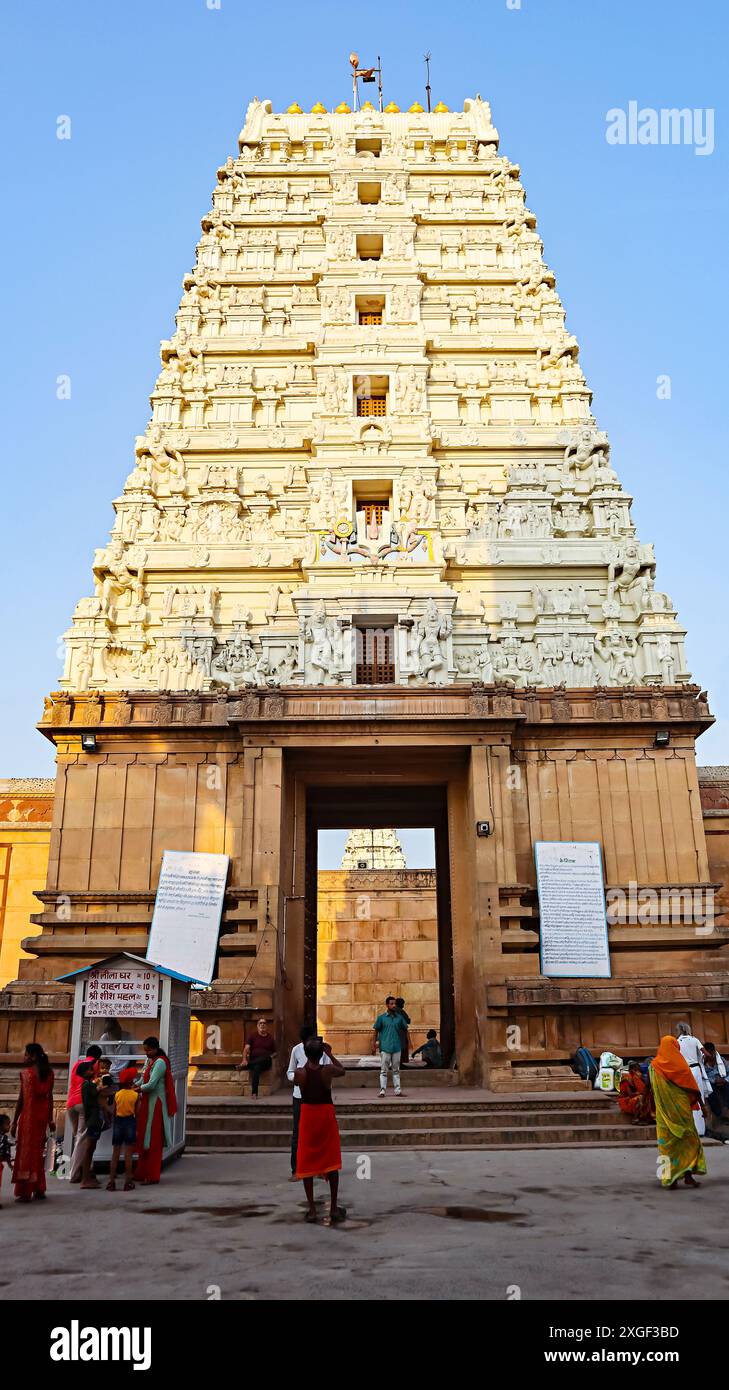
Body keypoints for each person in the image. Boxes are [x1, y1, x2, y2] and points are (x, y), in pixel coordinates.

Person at [293, 1038, 346, 1225]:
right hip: (325, 1114)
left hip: (308, 1115)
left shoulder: (300, 1073)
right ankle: (333, 1208)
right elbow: (342, 1070)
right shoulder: (327, 1070)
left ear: (306, 1054)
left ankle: (312, 1209)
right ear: (321, 1053)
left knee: (306, 1159)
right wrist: (330, 1054)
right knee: (330, 1158)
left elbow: (296, 1084)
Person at [650, 1035, 706, 1190]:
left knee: (666, 1147)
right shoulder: (681, 1065)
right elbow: (693, 1088)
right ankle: (688, 1176)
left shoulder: (653, 1066)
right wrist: (703, 1106)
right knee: (689, 1142)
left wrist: (648, 1106)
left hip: (664, 1116)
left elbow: (648, 1089)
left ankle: (669, 1179)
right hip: (682, 1113)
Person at [10, 1042, 56, 1202]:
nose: (24, 1057)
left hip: (28, 1119)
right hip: (42, 1119)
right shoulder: (49, 1074)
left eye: (26, 1054)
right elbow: (50, 1098)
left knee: (26, 1153)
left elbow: (21, 1099)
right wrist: (50, 1119)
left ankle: (25, 1191)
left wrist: (14, 1121)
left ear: (33, 1056)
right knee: (37, 1152)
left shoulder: (26, 1074)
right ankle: (39, 1189)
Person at [286, 1025, 331, 1180]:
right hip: (300, 1097)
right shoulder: (296, 1050)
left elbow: (329, 1069)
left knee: (318, 1133)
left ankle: (320, 1168)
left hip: (318, 1096)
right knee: (298, 1133)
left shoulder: (321, 1050)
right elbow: (290, 1071)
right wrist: (298, 1079)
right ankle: (296, 1169)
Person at [134, 1037, 178, 1185]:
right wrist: (133, 1085)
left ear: (155, 1048)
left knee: (153, 1140)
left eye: (148, 1050)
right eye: (145, 1050)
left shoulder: (160, 1062)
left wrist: (137, 1089)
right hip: (148, 1101)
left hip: (156, 1103)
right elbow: (143, 1079)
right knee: (144, 1136)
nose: (146, 1053)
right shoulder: (150, 1060)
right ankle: (142, 1172)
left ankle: (152, 1175)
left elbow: (151, 1084)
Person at [107, 1063, 139, 1192]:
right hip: (130, 1121)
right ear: (131, 1081)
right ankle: (128, 1182)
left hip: (118, 1122)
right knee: (128, 1154)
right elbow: (138, 1112)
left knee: (115, 1153)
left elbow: (114, 1111)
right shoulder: (135, 1095)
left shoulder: (117, 1094)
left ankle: (111, 1182)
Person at [78, 1062, 110, 1190]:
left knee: (90, 1148)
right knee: (89, 1149)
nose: (93, 1071)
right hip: (93, 1119)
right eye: (90, 1070)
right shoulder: (88, 1085)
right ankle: (85, 1179)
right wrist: (101, 1087)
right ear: (84, 1073)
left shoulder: (87, 1085)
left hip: (92, 1119)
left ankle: (87, 1177)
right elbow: (96, 1092)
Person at [65, 1044, 102, 1154]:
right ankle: (78, 1164)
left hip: (70, 1103)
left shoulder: (77, 1064)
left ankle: (74, 1162)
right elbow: (95, 1083)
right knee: (82, 1138)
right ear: (98, 1056)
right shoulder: (95, 1063)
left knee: (77, 1136)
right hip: (82, 1103)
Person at [372, 996, 409, 1097]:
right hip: (385, 1047)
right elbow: (376, 1031)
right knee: (384, 1070)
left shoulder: (399, 1018)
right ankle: (382, 1091)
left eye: (395, 1004)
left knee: (396, 1070)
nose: (394, 1006)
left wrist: (409, 1042)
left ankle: (398, 1090)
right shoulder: (381, 1018)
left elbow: (406, 1029)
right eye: (391, 1004)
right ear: (387, 1005)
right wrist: (374, 1044)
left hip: (396, 1046)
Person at [238, 1017, 277, 1098]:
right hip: (255, 1061)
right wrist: (244, 1059)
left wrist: (271, 1056)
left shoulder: (270, 1038)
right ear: (257, 1025)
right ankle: (254, 1093)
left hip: (266, 1062)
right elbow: (246, 1048)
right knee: (257, 1068)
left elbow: (275, 1052)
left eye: (264, 1023)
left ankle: (248, 1065)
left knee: (265, 1057)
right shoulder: (252, 1036)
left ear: (266, 1026)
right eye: (260, 1023)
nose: (262, 1025)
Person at [702, 1042, 729, 1134]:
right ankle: (719, 1114)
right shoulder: (703, 1063)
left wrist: (724, 1080)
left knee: (727, 1087)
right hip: (712, 1083)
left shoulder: (721, 1060)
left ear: (713, 1052)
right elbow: (704, 1077)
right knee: (710, 1091)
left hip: (723, 1081)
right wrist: (715, 1080)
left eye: (710, 1053)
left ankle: (726, 1109)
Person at [0, 1113, 12, 1208]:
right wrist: (10, 1165)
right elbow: (7, 1154)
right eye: (7, 1124)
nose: (9, 1126)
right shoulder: (4, 1138)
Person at [395, 998, 412, 1065]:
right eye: (402, 1004)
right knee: (402, 1048)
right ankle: (400, 1063)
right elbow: (408, 1020)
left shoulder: (393, 1010)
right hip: (401, 1032)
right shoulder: (400, 1011)